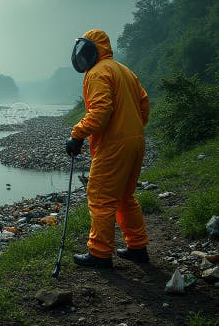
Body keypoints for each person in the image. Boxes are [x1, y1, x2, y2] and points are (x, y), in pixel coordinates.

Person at [65, 29, 150, 268]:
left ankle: (100, 254)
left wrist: (76, 134)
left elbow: (100, 113)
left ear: (94, 50)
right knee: (125, 197)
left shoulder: (98, 73)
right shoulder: (125, 71)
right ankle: (137, 247)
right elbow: (144, 104)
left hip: (114, 144)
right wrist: (132, 128)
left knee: (101, 197)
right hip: (135, 141)